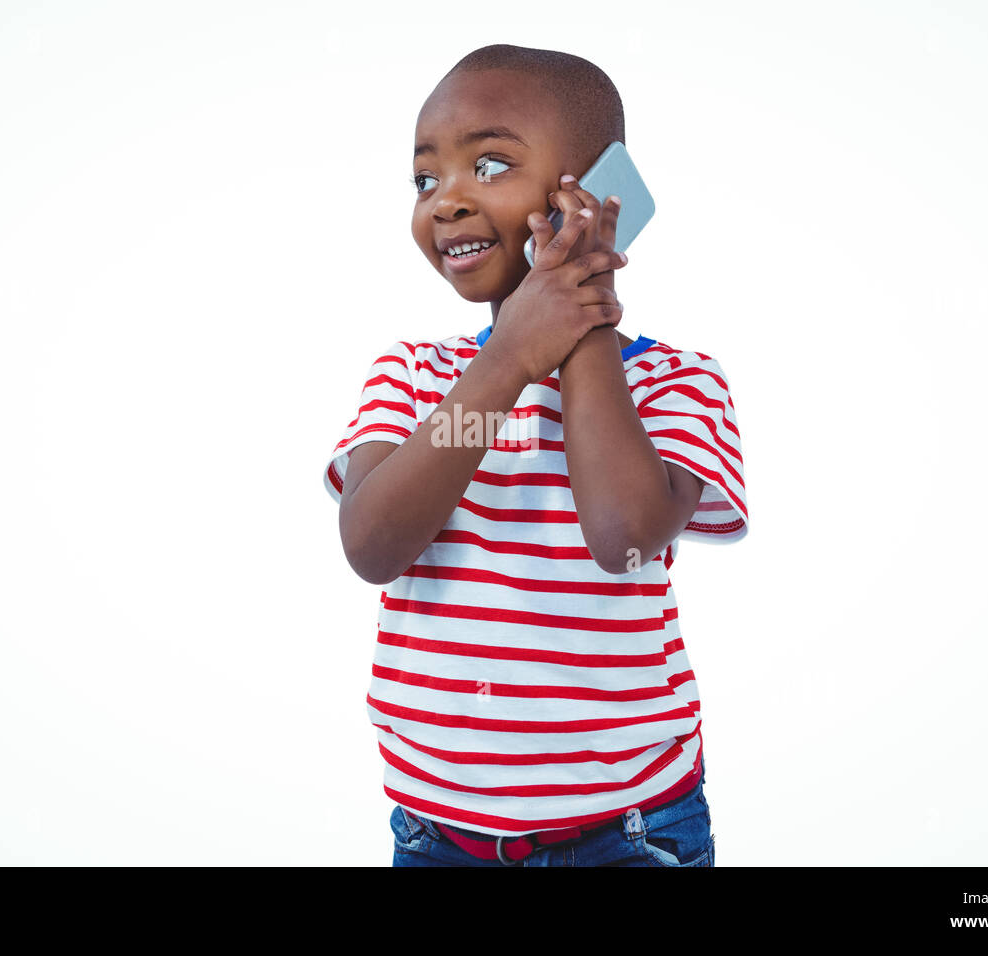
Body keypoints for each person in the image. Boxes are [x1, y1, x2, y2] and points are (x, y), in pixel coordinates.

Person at [321, 44, 749, 866]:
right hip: (435, 835)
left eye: (488, 164)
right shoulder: (414, 375)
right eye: (424, 179)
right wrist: (508, 360)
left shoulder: (676, 382)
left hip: (629, 835)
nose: (444, 203)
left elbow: (623, 536)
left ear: (597, 192)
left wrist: (576, 314)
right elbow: (372, 545)